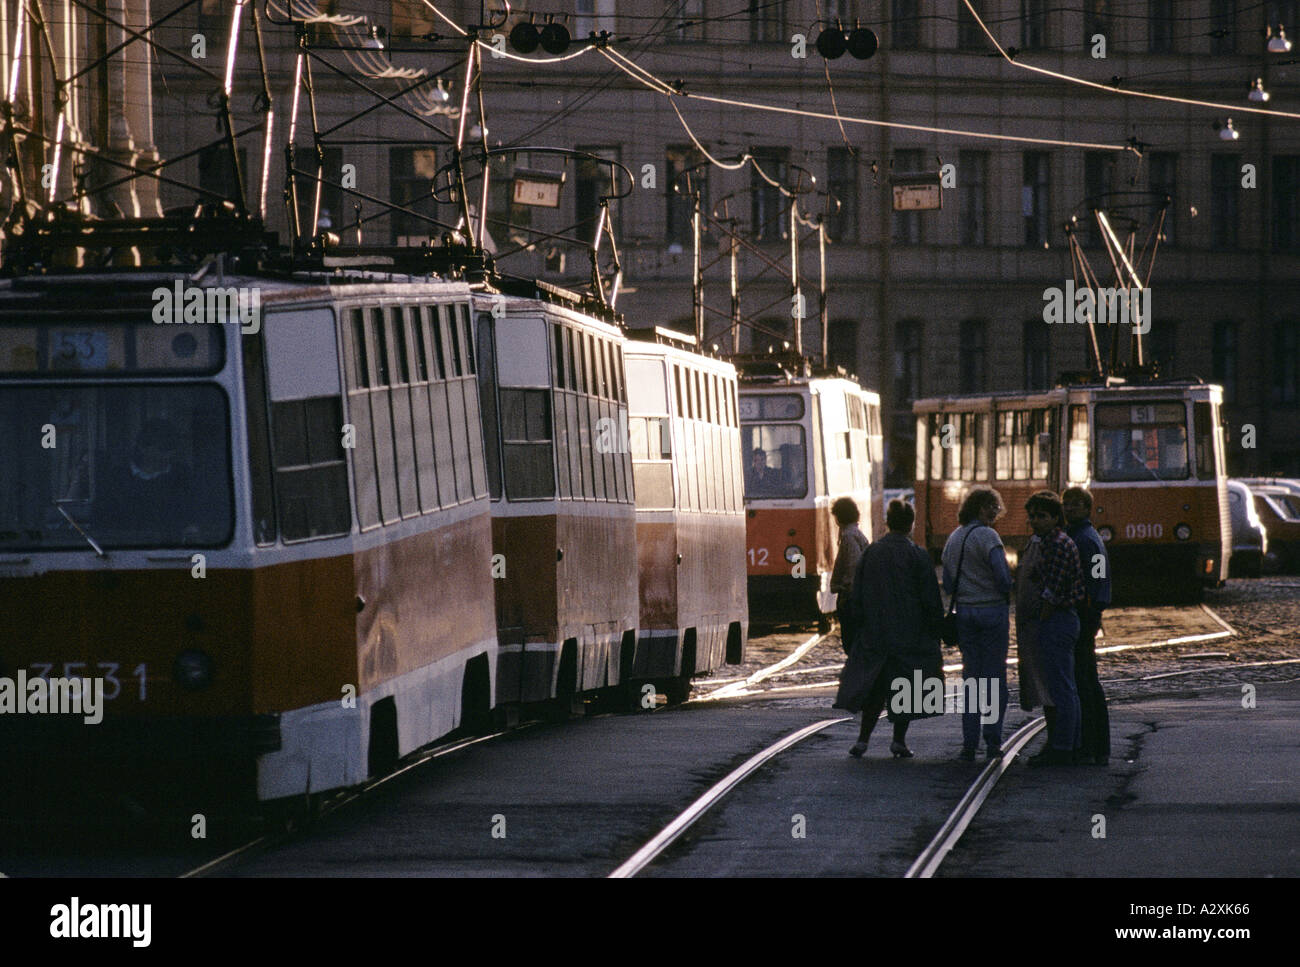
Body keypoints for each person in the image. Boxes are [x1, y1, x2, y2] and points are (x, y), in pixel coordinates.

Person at [833, 499, 944, 758]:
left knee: (875, 688)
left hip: (876, 633)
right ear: (911, 525)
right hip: (909, 634)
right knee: (904, 686)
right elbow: (930, 598)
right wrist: (935, 629)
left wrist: (858, 627)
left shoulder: (872, 553)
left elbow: (856, 595)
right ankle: (898, 741)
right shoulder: (917, 555)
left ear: (888, 523)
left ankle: (863, 739)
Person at [941, 488, 1013, 761]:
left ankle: (969, 743)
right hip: (991, 612)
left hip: (965, 612)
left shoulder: (953, 538)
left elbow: (948, 583)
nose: (995, 512)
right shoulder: (988, 536)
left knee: (971, 677)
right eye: (992, 507)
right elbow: (1003, 577)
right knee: (994, 678)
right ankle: (993, 740)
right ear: (981, 508)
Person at [1023, 490, 1086, 767]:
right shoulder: (1048, 541)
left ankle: (1063, 747)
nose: (1035, 521)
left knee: (1061, 686)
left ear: (1054, 518)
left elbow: (1052, 591)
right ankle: (1064, 743)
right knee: (1059, 685)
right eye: (1032, 516)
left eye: (1042, 516)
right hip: (1058, 620)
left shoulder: (1058, 543)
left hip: (1058, 620)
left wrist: (1040, 619)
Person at [1063, 486, 1111, 765]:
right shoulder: (1078, 535)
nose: (1069, 509)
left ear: (1086, 508)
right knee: (1083, 678)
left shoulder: (1086, 539)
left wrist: (1092, 608)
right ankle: (1093, 744)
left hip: (1085, 613)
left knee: (1086, 680)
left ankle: (1095, 745)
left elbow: (1097, 578)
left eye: (1075, 505)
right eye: (1066, 504)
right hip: (1085, 611)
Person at [830, 497, 869, 656]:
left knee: (852, 643)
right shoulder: (854, 533)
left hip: (851, 599)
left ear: (840, 517)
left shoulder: (849, 537)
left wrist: (847, 594)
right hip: (856, 596)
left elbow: (853, 568)